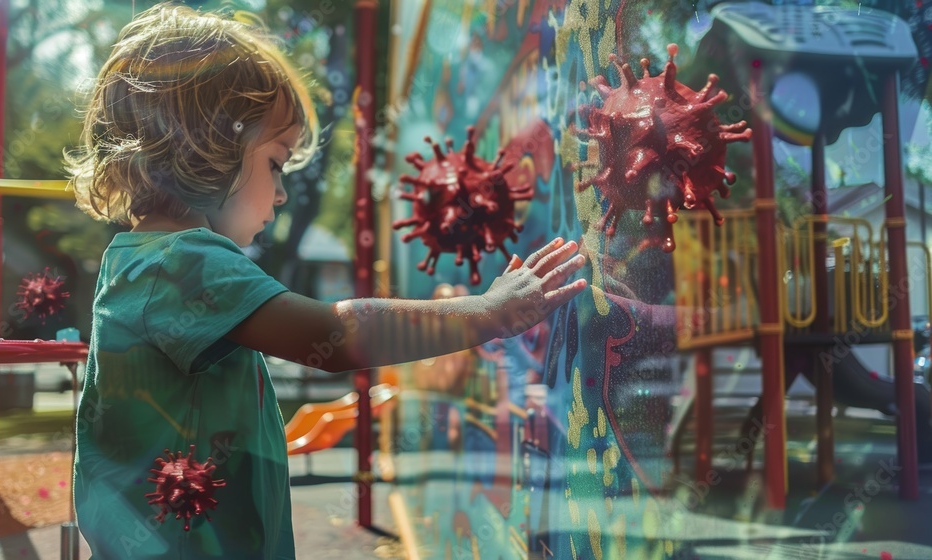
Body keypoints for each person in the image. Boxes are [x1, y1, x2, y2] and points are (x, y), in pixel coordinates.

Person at [65, 4, 587, 559]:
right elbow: (334, 337)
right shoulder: (181, 260)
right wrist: (490, 313)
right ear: (207, 148)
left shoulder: (138, 259)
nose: (283, 193)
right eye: (275, 162)